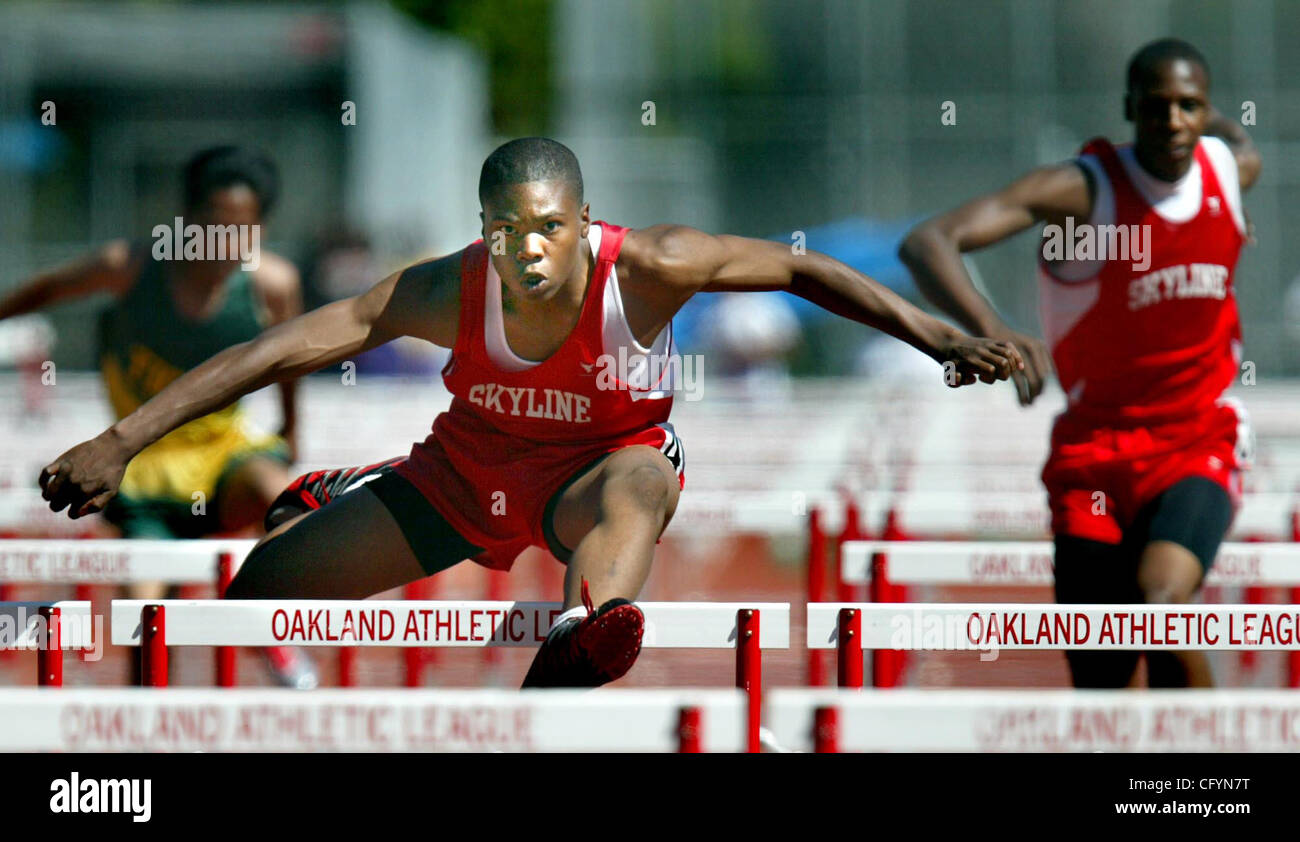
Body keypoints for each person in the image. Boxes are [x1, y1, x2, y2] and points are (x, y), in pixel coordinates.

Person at [38, 137, 1021, 689]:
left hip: (599, 466)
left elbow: (805, 268)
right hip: (461, 476)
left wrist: (939, 336)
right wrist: (121, 440)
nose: (530, 248)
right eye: (508, 230)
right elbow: (277, 346)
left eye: (550, 225)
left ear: (584, 221)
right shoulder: (444, 288)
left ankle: (581, 638)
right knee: (257, 591)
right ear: (484, 232)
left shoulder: (651, 266)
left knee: (642, 486)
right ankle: (359, 487)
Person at [898, 39, 1260, 688]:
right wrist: (990, 328)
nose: (1173, 121)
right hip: (1092, 453)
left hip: (1195, 441)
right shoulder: (1084, 190)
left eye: (1190, 106)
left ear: (1205, 112)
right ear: (1129, 108)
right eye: (1157, 106)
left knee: (1162, 607)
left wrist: (1228, 141)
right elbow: (928, 242)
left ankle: (1206, 781)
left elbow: (1240, 149)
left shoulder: (1228, 172)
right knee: (1101, 675)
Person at [1, 145, 317, 688]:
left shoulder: (274, 285)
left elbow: (292, 360)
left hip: (222, 459)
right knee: (145, 615)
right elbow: (49, 288)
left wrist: (290, 428)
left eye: (245, 232)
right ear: (188, 221)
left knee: (284, 495)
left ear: (261, 229)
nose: (229, 246)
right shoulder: (130, 267)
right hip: (137, 467)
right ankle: (144, 717)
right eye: (217, 228)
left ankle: (267, 629)